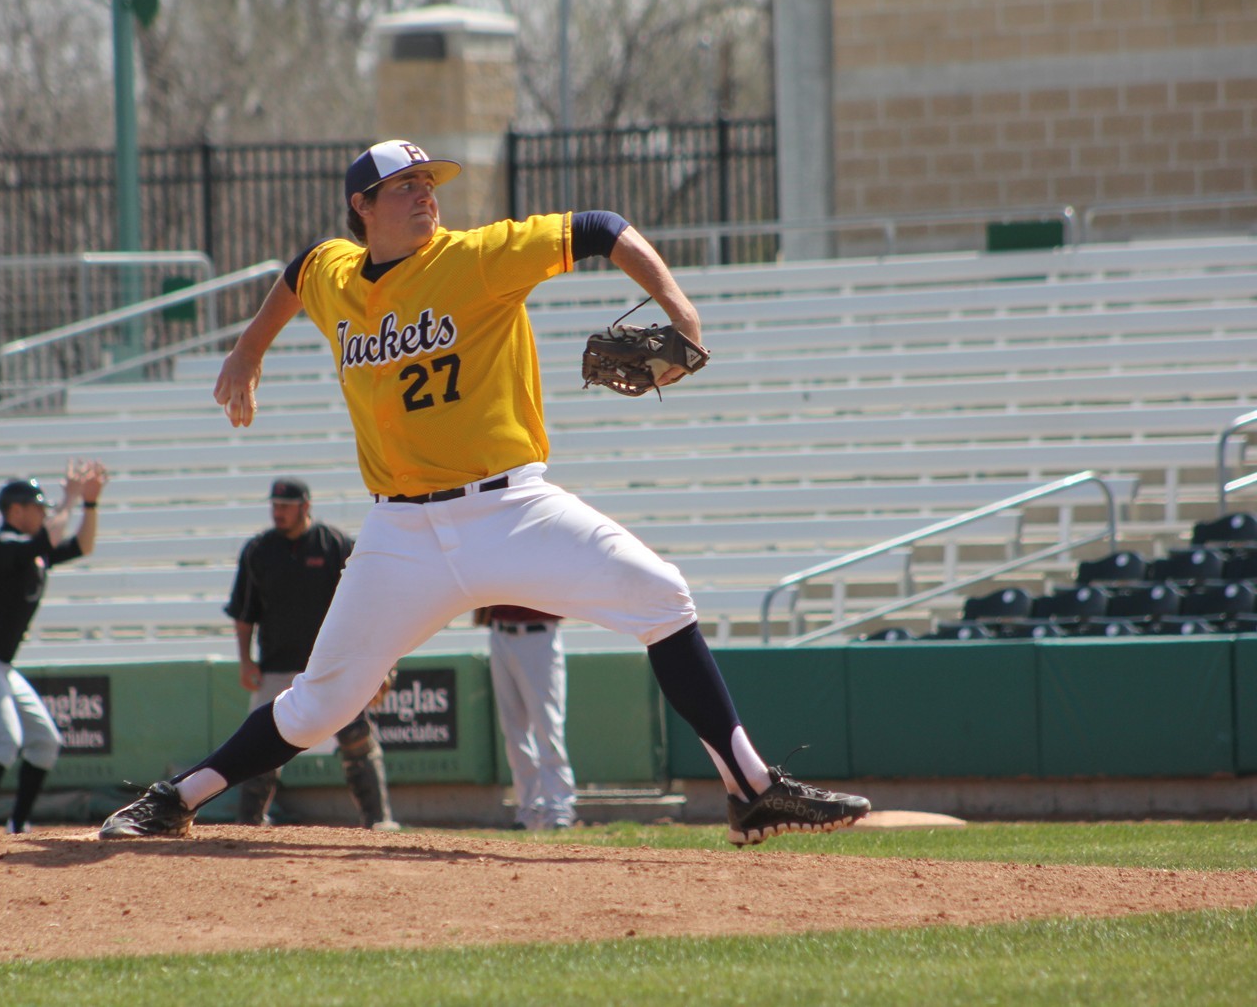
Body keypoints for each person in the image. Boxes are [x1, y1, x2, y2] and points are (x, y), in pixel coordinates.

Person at [100, 138, 870, 847]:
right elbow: (301, 268)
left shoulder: (476, 259)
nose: (424, 195)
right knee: (321, 704)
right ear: (362, 208)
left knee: (663, 596)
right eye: (402, 186)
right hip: (399, 534)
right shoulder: (336, 274)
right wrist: (246, 351)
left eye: (427, 182)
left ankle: (751, 787)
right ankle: (176, 797)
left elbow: (601, 225)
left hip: (511, 509)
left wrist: (681, 309)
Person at [227, 476, 397, 830]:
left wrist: (383, 665)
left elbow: (372, 602)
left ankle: (378, 822)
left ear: (306, 507)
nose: (278, 513)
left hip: (332, 666)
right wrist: (245, 660)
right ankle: (248, 823)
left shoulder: (334, 544)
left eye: (286, 506)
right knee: (261, 748)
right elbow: (244, 616)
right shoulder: (258, 550)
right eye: (274, 506)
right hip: (276, 665)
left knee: (357, 740)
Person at [0, 459, 108, 838]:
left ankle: (17, 824)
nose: (44, 513)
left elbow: (83, 545)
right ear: (15, 511)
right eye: (38, 507)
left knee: (45, 742)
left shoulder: (31, 548)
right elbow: (49, 539)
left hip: (0, 665)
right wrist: (68, 498)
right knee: (6, 740)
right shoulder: (1, 547)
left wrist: (89, 505)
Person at [478, 604, 576, 831]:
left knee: (547, 726)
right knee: (513, 730)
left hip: (538, 634)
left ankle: (558, 807)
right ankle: (528, 807)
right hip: (500, 631)